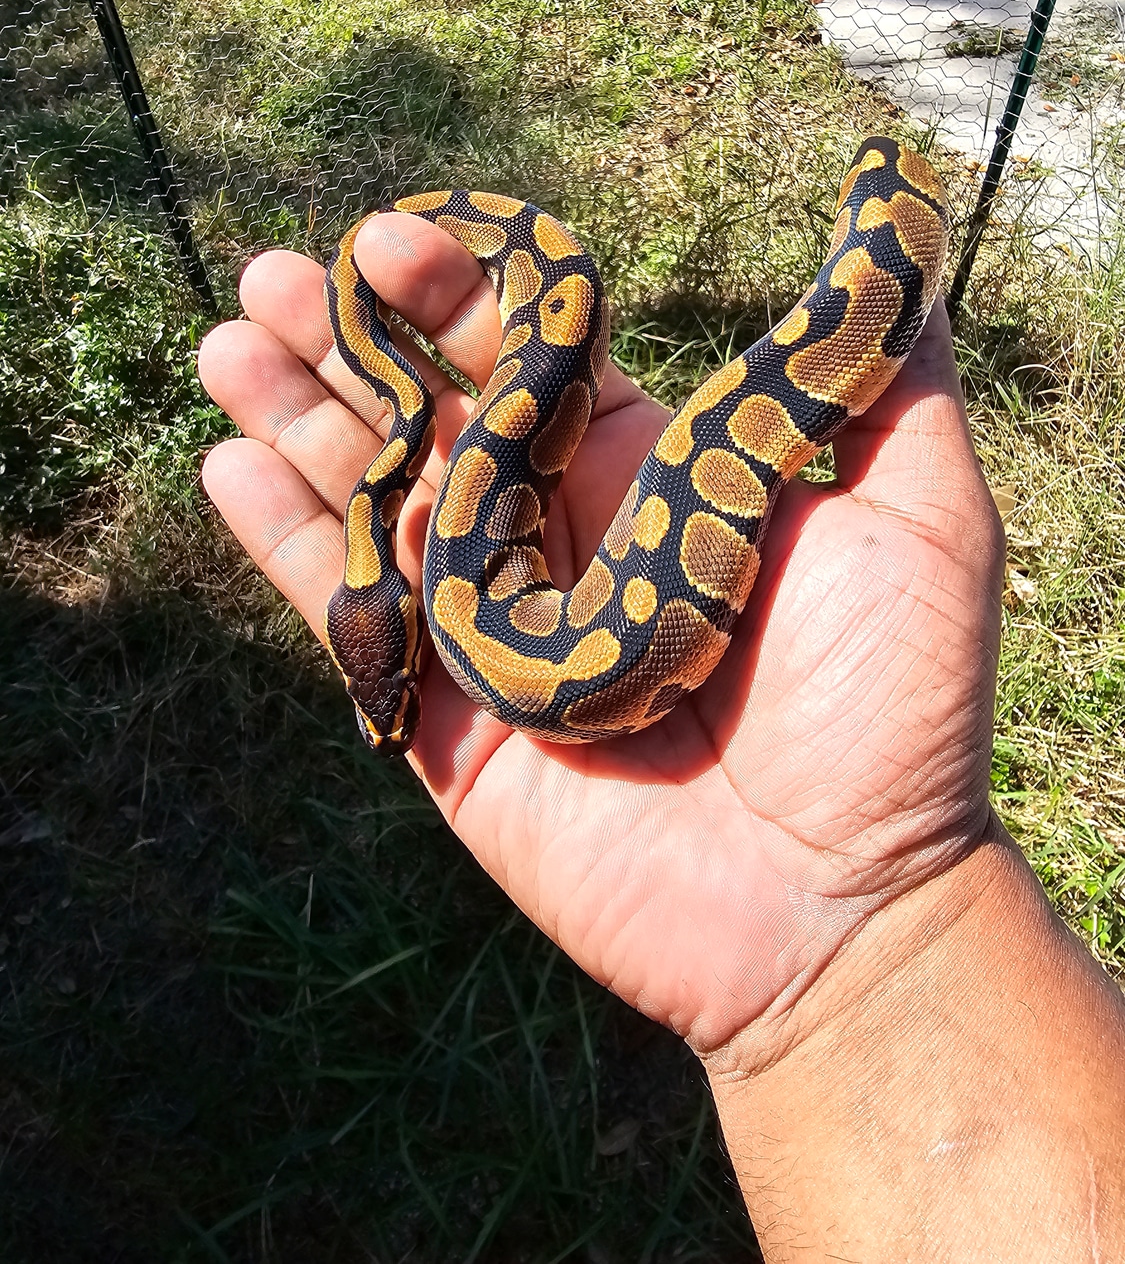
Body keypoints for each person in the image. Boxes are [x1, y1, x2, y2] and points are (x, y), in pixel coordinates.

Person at [198, 208, 1125, 1259]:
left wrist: (885, 920)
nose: (397, 717)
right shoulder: (436, 585)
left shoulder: (431, 550)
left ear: (402, 618)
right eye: (392, 694)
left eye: (396, 688)